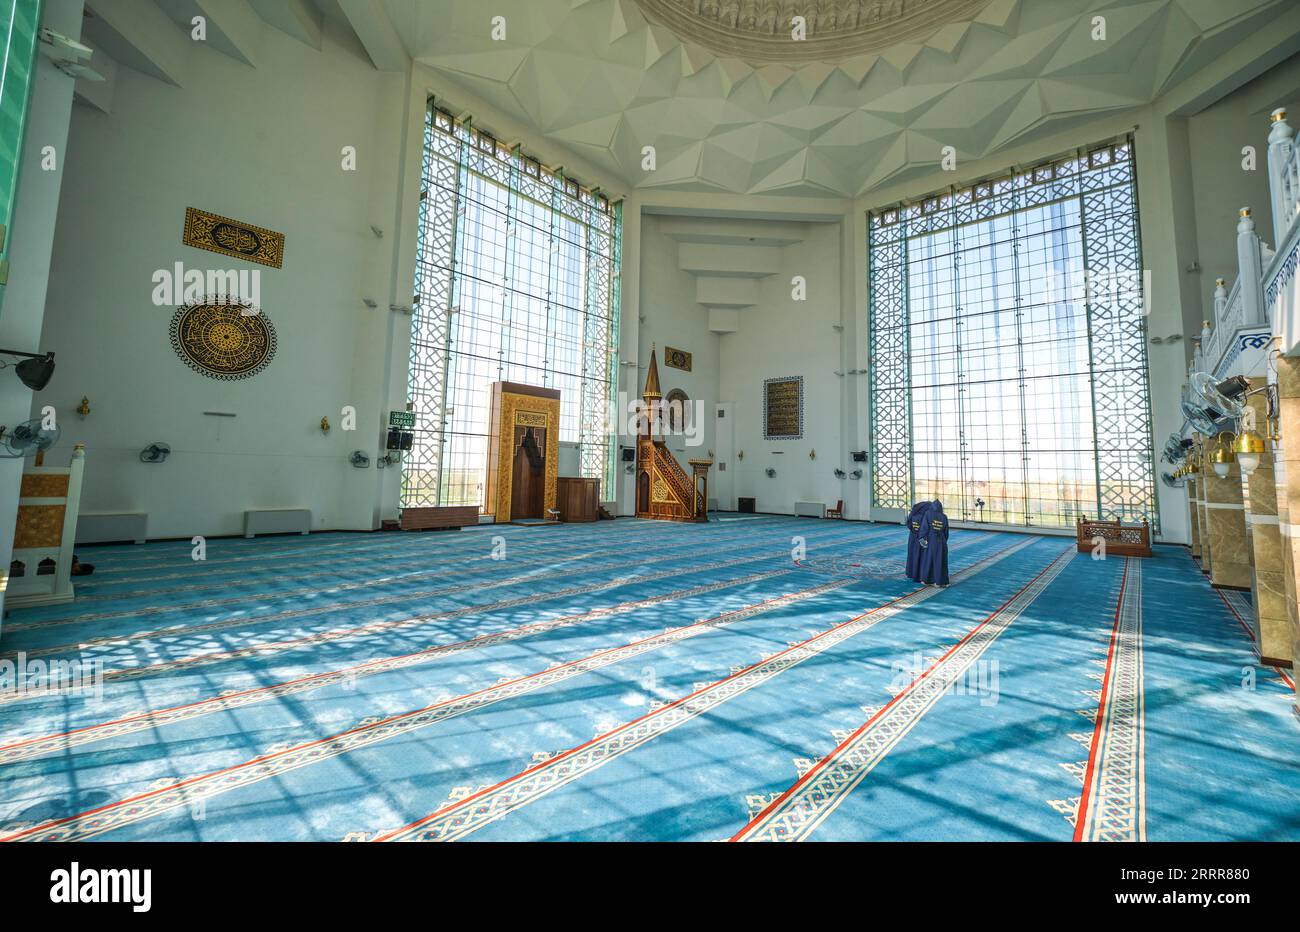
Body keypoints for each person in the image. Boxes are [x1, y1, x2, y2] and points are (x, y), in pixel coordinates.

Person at [917, 499, 950, 586]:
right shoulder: (944, 517)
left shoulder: (928, 514)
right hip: (941, 541)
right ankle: (940, 581)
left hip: (931, 539)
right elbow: (946, 532)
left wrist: (922, 539)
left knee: (929, 560)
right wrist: (943, 541)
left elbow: (924, 528)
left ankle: (927, 580)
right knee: (940, 561)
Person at [904, 501, 931, 582]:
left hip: (912, 537)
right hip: (922, 538)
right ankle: (920, 575)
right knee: (921, 556)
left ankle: (911, 573)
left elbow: (909, 524)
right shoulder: (924, 517)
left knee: (913, 555)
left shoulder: (913, 514)